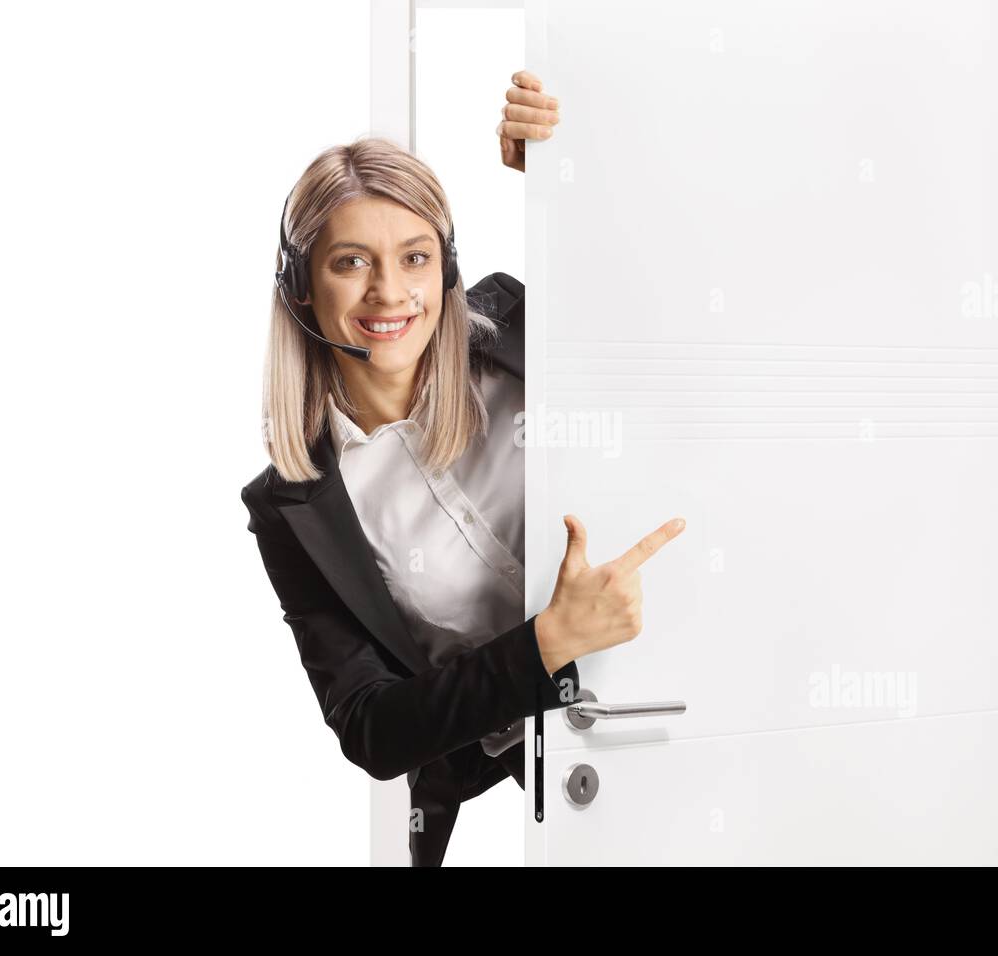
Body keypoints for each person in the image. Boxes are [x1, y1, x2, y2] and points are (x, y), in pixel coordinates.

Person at [240, 71, 685, 866]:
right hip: (523, 792)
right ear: (301, 287)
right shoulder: (294, 505)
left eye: (415, 257)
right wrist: (547, 645)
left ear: (444, 267)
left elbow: (664, 308)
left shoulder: (515, 325)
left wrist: (568, 176)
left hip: (676, 702)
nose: (391, 293)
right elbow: (374, 727)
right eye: (351, 262)